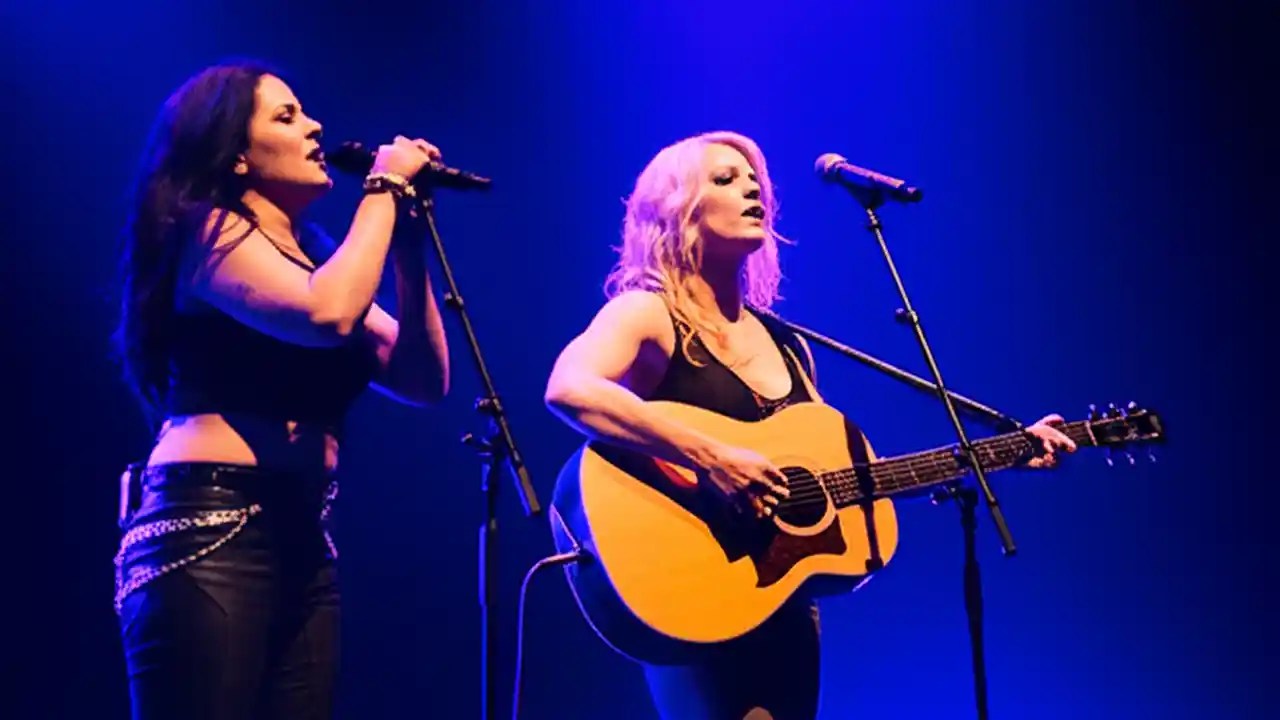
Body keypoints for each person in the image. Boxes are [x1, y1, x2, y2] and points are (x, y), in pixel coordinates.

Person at [543, 130, 1075, 720]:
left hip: (783, 603)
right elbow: (570, 389)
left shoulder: (790, 346)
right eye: (724, 180)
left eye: (755, 183)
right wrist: (712, 457)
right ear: (677, 210)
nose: (751, 190)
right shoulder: (647, 313)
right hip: (689, 588)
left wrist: (998, 454)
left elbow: (843, 482)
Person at [112, 60, 450, 719]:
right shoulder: (206, 230)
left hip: (303, 536)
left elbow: (421, 378)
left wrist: (408, 249)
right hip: (210, 529)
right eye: (286, 116)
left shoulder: (320, 255)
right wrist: (380, 186)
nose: (315, 125)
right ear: (235, 154)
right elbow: (329, 316)